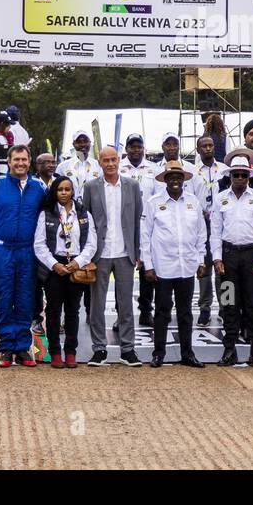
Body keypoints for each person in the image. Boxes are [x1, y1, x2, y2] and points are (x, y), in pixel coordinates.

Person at [0, 145, 46, 367]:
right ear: (8, 162)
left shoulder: (39, 187)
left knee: (25, 298)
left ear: (30, 162)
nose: (20, 163)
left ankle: (23, 348)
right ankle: (7, 347)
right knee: (4, 297)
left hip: (28, 250)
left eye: (24, 159)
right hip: (2, 250)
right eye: (16, 159)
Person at [82, 147, 144, 367]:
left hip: (125, 253)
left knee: (125, 303)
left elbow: (137, 221)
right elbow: (85, 222)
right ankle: (99, 349)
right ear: (99, 162)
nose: (110, 164)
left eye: (113, 160)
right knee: (97, 305)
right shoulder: (90, 187)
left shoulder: (132, 186)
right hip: (100, 254)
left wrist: (137, 252)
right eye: (106, 160)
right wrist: (87, 254)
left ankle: (128, 349)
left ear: (120, 161)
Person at [140, 161, 206, 368]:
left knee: (185, 312)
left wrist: (201, 260)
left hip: (186, 265)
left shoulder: (193, 202)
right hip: (163, 266)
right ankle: (159, 353)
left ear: (184, 179)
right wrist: (148, 265)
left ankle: (187, 353)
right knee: (162, 311)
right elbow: (145, 236)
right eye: (171, 177)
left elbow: (201, 234)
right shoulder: (153, 202)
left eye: (179, 177)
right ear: (165, 180)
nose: (175, 180)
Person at [210, 154, 253, 367]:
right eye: (235, 174)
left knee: (252, 303)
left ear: (248, 177)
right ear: (229, 176)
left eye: (243, 175)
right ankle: (229, 349)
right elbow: (215, 231)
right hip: (228, 258)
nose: (239, 178)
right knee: (228, 303)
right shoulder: (220, 199)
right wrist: (216, 258)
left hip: (252, 257)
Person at [33, 175, 98, 368]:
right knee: (53, 311)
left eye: (67, 189)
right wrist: (55, 264)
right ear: (55, 191)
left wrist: (78, 262)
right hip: (55, 266)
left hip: (76, 266)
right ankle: (54, 352)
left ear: (72, 191)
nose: (63, 193)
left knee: (73, 311)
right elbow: (39, 244)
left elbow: (91, 243)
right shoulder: (47, 213)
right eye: (60, 189)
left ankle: (70, 351)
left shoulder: (83, 213)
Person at [119, 133, 161, 327]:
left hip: (147, 226)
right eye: (132, 146)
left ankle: (146, 311)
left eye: (139, 146)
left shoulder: (153, 169)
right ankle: (122, 315)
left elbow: (159, 197)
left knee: (147, 271)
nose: (135, 150)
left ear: (144, 148)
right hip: (123, 227)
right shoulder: (118, 168)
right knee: (123, 272)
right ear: (126, 149)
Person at [191, 134, 228, 326]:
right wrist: (201, 213)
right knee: (204, 268)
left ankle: (226, 307)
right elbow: (189, 196)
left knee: (224, 268)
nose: (208, 149)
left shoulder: (224, 169)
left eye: (210, 145)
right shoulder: (193, 172)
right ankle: (205, 308)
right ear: (198, 150)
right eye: (204, 146)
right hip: (202, 224)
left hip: (223, 224)